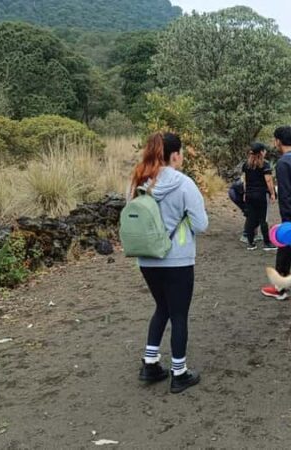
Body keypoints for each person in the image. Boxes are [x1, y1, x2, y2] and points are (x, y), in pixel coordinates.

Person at [131, 132, 208, 394]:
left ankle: (150, 363)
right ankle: (179, 372)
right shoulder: (184, 184)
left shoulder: (139, 180)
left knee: (161, 307)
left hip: (146, 258)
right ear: (175, 155)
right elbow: (202, 224)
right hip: (178, 259)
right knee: (179, 314)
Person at [261, 126, 291, 300]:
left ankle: (279, 287)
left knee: (285, 244)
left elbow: (285, 193)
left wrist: (286, 220)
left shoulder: (284, 162)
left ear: (278, 141)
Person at [242, 142, 277, 251]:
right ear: (261, 152)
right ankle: (267, 243)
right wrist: (272, 193)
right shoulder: (265, 165)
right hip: (261, 195)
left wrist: (245, 193)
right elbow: (268, 180)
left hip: (249, 194)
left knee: (251, 218)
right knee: (263, 219)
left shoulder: (246, 164)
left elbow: (245, 181)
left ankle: (251, 243)